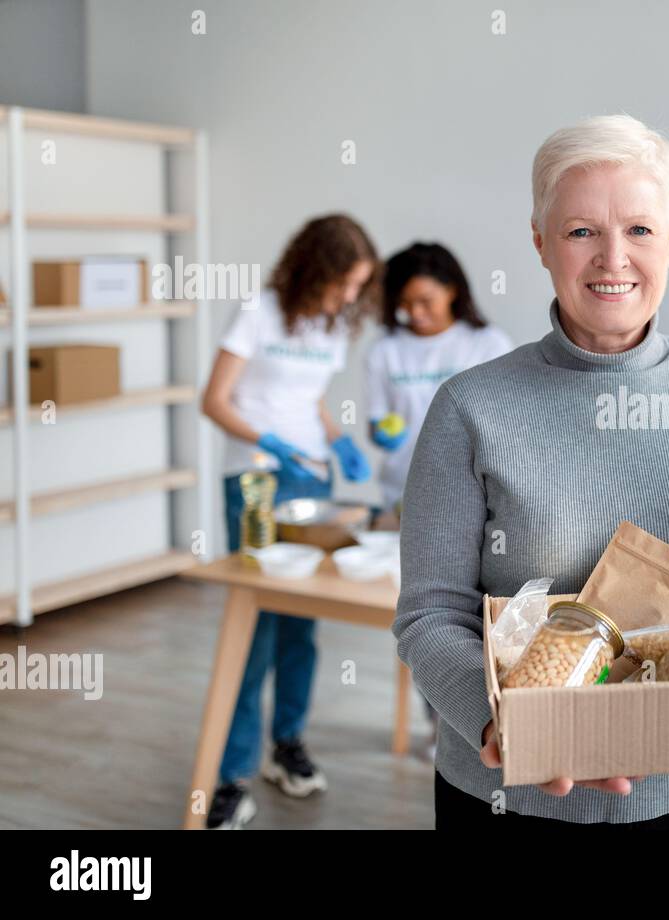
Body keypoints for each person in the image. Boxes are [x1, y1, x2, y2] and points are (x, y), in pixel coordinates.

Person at [395, 114, 669, 828]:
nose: (613, 259)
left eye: (640, 230)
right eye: (582, 231)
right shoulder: (469, 407)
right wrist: (499, 724)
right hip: (513, 795)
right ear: (541, 243)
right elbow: (431, 615)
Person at [200, 213, 379, 829]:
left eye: (358, 287)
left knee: (301, 621)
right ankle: (228, 776)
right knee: (256, 625)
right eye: (344, 283)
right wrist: (268, 442)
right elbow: (214, 399)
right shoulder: (258, 310)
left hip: (311, 480)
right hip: (254, 480)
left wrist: (338, 439)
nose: (350, 297)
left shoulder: (330, 324)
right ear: (314, 268)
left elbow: (310, 400)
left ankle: (288, 746)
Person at [366, 242, 512, 760]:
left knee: (463, 612)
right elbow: (378, 418)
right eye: (407, 304)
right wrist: (380, 434)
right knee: (424, 612)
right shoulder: (385, 351)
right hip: (401, 495)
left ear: (453, 290)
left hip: (472, 499)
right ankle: (447, 720)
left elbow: (506, 424)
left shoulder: (485, 343)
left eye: (426, 300)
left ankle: (471, 717)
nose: (417, 313)